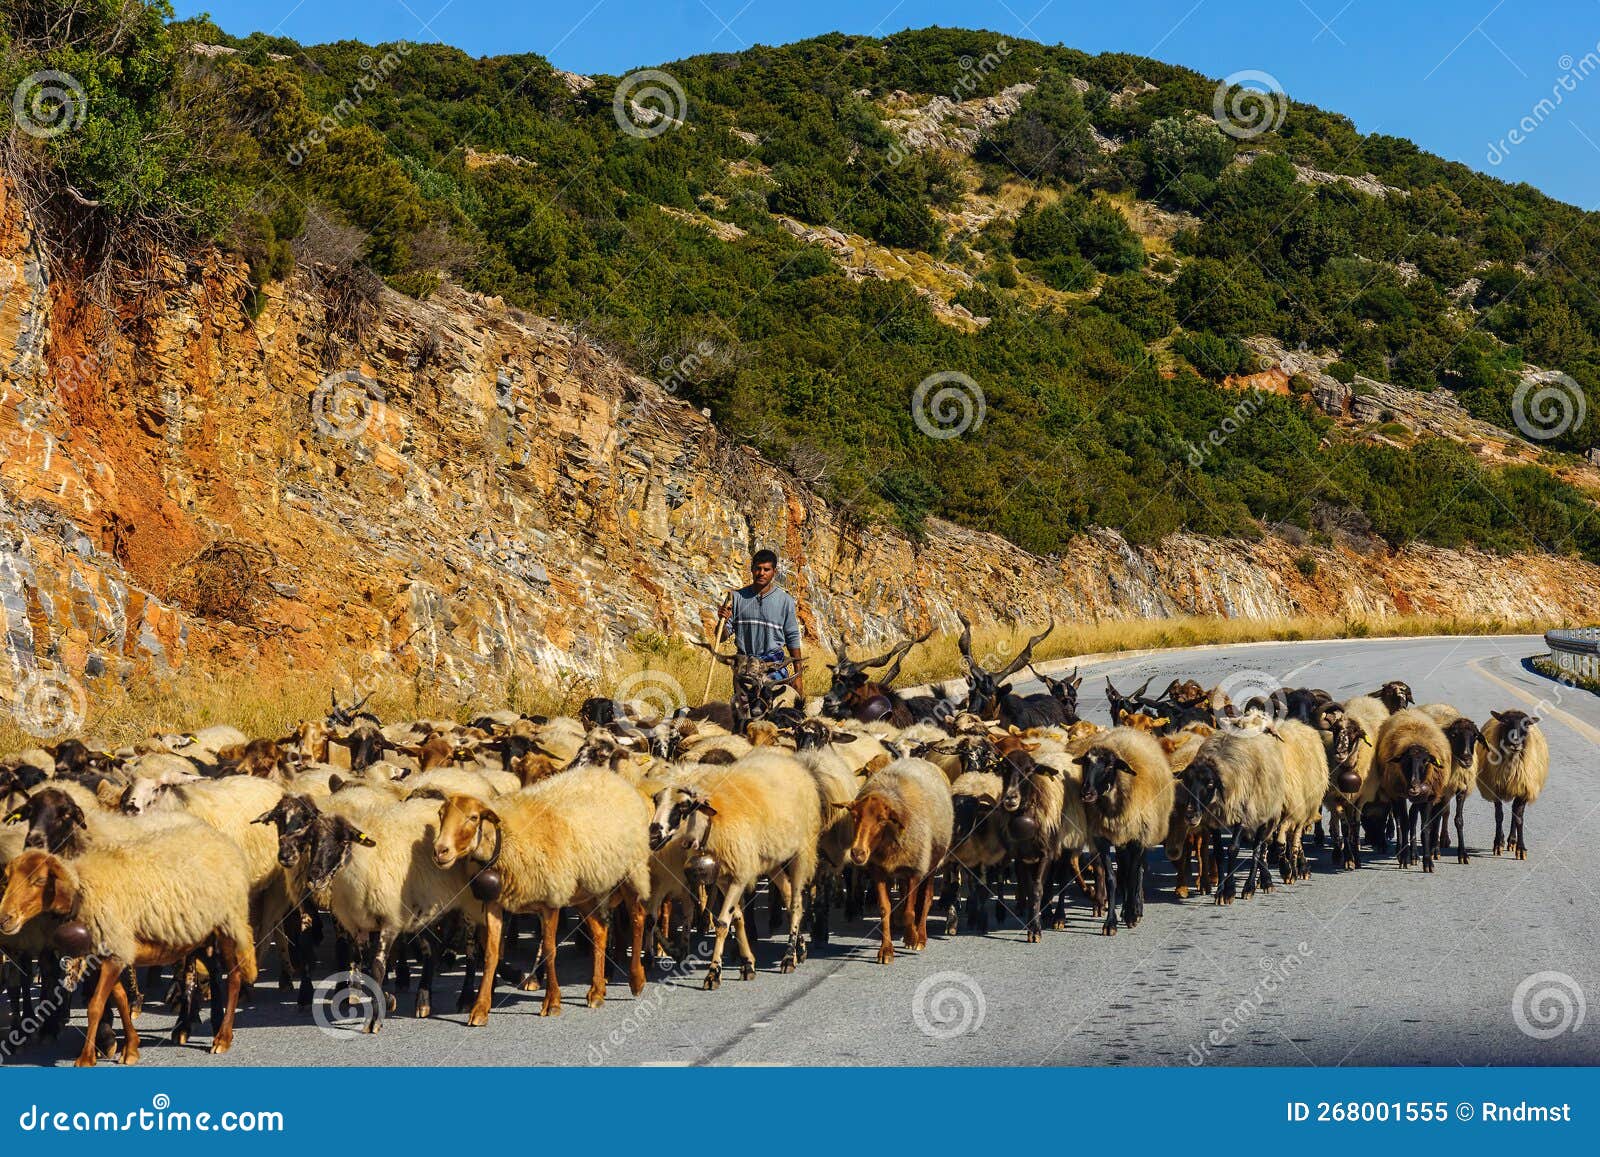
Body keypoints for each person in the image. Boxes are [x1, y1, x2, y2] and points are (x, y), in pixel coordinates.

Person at [718, 549, 804, 696]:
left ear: (774, 572)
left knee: (772, 707)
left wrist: (798, 676)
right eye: (758, 568)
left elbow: (792, 638)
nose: (761, 573)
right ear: (752, 569)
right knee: (744, 709)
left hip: (773, 668)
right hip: (745, 669)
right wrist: (722, 621)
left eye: (766, 569)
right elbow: (721, 637)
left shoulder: (785, 601)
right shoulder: (736, 598)